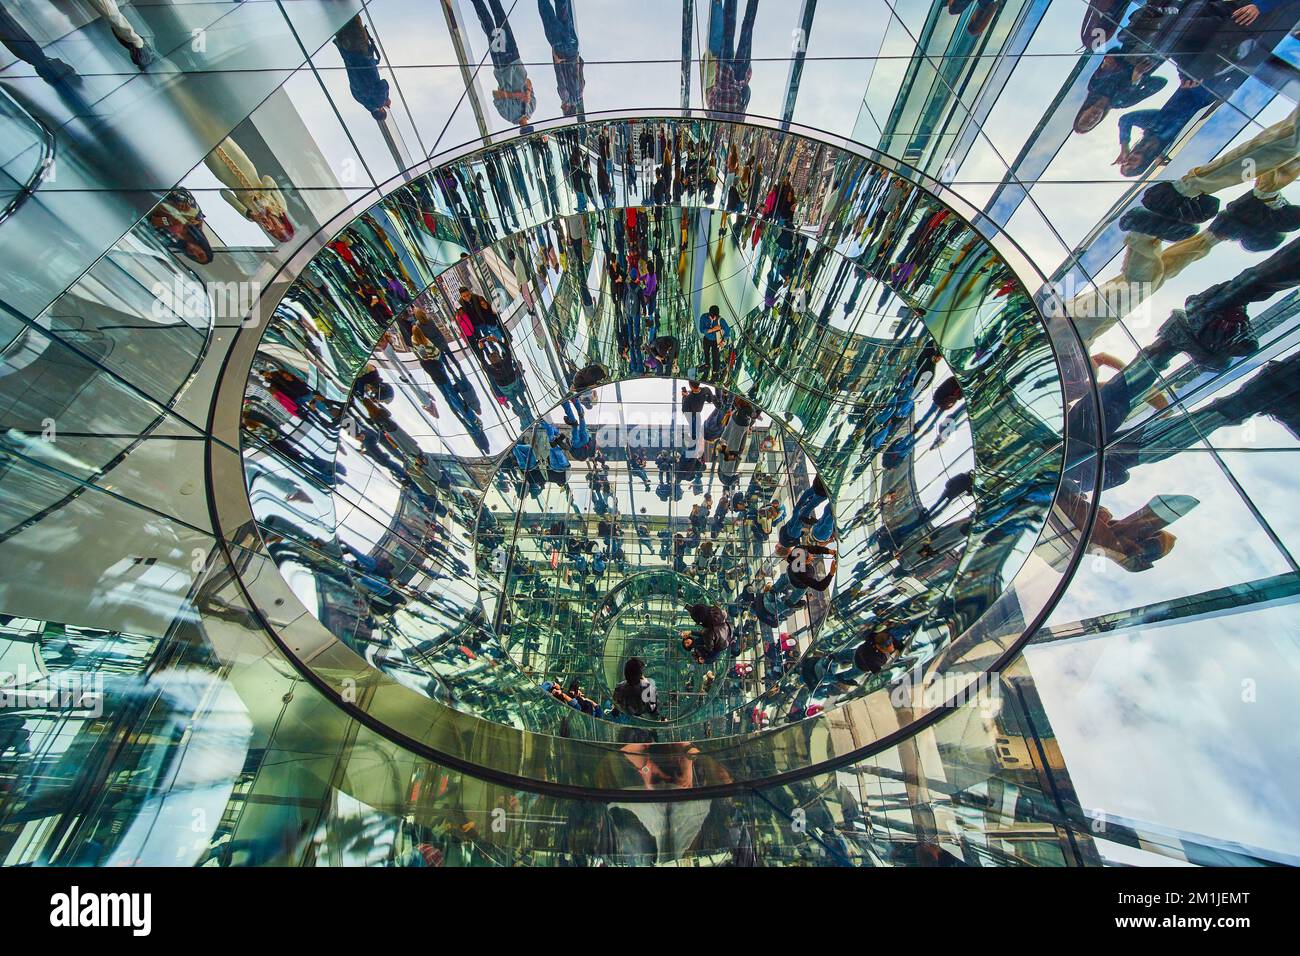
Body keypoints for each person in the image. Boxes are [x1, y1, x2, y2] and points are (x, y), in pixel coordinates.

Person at [469, 0, 535, 129]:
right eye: (528, 126)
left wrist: (515, 95)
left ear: (521, 128)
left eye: (524, 128)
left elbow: (495, 95)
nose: (525, 125)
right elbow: (528, 81)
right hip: (516, 61)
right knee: (502, 21)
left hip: (502, 67)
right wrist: (527, 92)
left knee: (489, 26)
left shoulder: (509, 116)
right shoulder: (532, 107)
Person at [333, 15, 391, 119]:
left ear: (382, 110)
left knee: (349, 15)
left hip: (362, 53)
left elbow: (384, 84)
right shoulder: (359, 98)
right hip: (347, 53)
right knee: (336, 18)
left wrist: (386, 99)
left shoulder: (379, 101)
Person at [537, 0, 584, 117]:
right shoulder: (565, 97)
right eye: (563, 108)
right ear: (567, 108)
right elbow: (561, 79)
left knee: (563, 9)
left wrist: (575, 56)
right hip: (560, 50)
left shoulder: (580, 93)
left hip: (573, 47)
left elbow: (581, 66)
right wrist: (556, 60)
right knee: (546, 12)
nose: (561, 105)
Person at [696, 304, 731, 380]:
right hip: (707, 339)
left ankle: (715, 372)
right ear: (709, 314)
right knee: (706, 352)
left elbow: (728, 331)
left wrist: (723, 341)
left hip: (716, 341)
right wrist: (713, 329)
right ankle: (707, 365)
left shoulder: (720, 320)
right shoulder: (704, 317)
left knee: (715, 356)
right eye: (712, 316)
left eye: (715, 317)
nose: (714, 318)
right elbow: (701, 330)